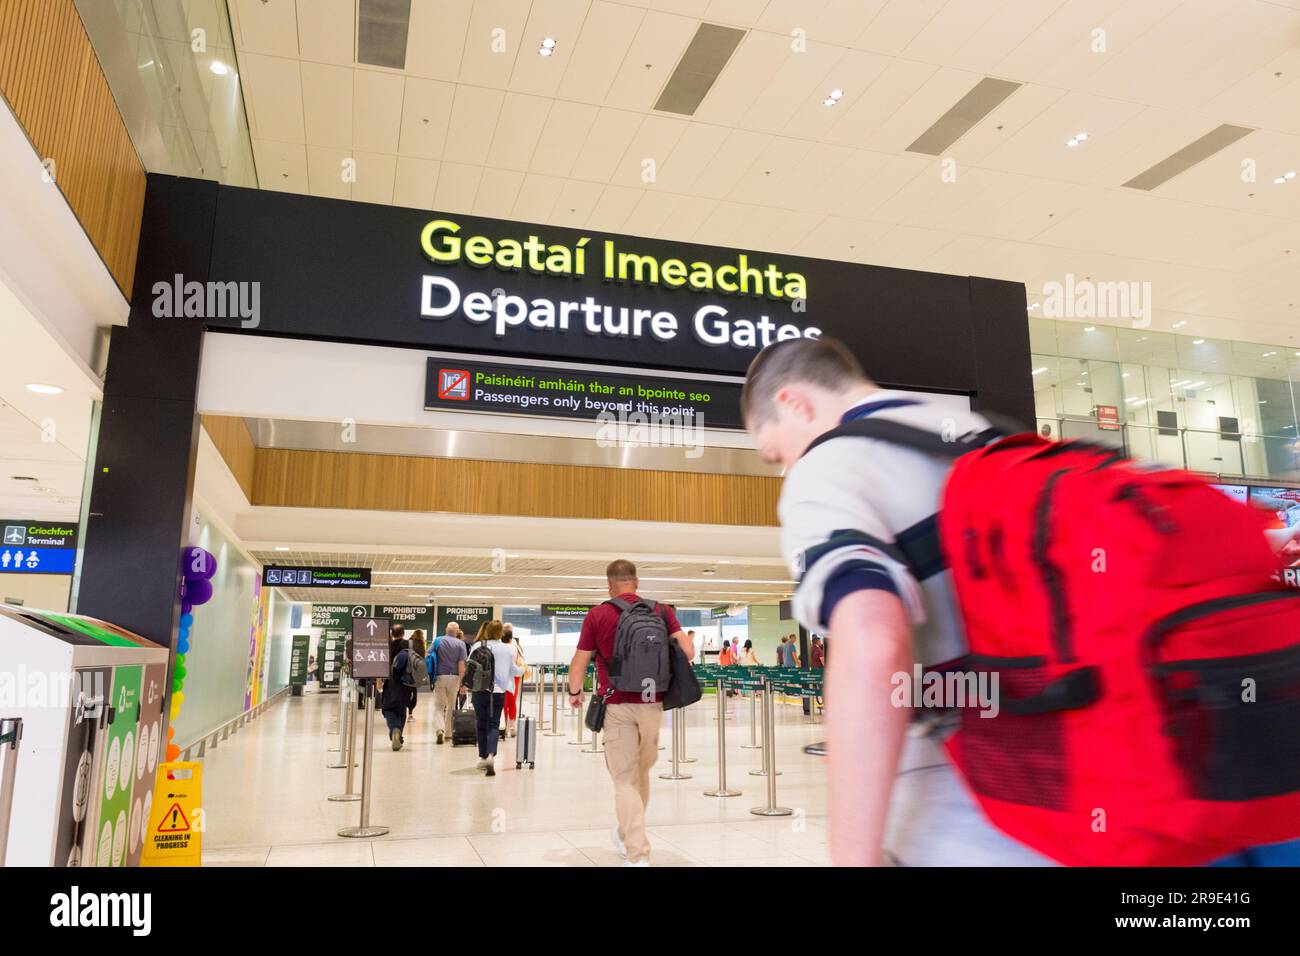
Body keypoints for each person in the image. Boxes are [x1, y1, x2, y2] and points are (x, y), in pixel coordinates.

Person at [742, 334, 1055, 867]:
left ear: (793, 402)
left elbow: (871, 635)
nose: (786, 470)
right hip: (1106, 788)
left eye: (778, 452)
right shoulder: (998, 437)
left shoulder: (830, 465)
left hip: (975, 809)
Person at [566, 559, 694, 867]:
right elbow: (688, 652)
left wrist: (574, 692)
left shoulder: (598, 614)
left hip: (617, 705)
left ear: (609, 585)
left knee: (624, 779)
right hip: (653, 703)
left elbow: (578, 663)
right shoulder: (662, 611)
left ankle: (637, 856)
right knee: (640, 774)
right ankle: (626, 834)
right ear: (636, 582)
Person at [466, 621, 523, 777]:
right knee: (494, 724)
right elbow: (514, 671)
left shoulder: (477, 647)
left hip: (479, 691)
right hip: (498, 693)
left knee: (481, 723)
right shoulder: (507, 649)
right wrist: (523, 669)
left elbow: (468, 666)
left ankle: (482, 757)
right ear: (500, 633)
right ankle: (491, 754)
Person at [430, 621, 467, 745]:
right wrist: (463, 683)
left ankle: (439, 729)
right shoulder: (461, 644)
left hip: (440, 676)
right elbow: (461, 664)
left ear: (446, 629)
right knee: (451, 705)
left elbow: (427, 654)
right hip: (454, 677)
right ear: (457, 631)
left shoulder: (437, 641)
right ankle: (448, 734)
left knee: (439, 706)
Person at [380, 627, 415, 751]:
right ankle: (399, 733)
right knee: (401, 708)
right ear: (403, 633)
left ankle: (395, 729)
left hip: (391, 681)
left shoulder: (388, 646)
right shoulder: (409, 645)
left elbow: (383, 663)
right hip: (407, 682)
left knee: (388, 707)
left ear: (392, 634)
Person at [501, 626, 527, 737]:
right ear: (511, 638)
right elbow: (520, 660)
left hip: (501, 677)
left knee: (504, 703)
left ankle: (504, 726)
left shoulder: (499, 647)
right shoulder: (515, 647)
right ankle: (512, 726)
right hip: (514, 676)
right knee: (512, 702)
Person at [407, 629, 427, 722]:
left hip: (407, 670)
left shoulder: (408, 643)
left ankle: (402, 711)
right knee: (413, 692)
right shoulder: (422, 645)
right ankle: (410, 714)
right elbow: (423, 659)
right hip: (416, 672)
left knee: (404, 690)